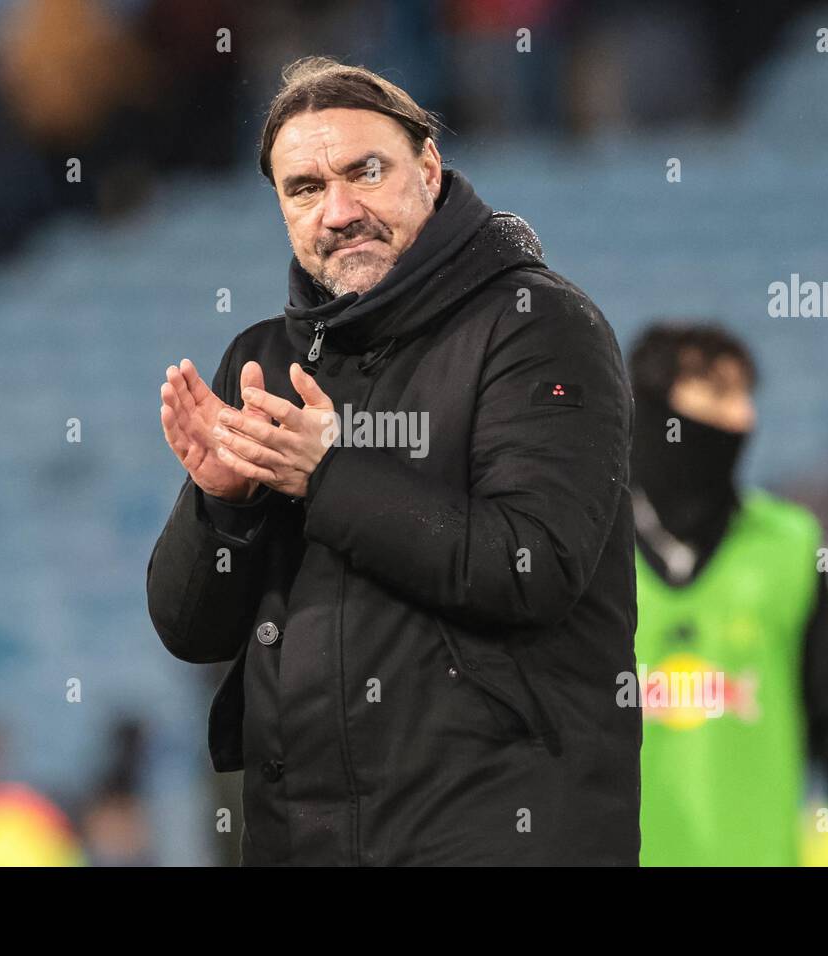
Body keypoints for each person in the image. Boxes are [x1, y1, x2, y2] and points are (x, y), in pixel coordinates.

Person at [146, 56, 638, 865]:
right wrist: (222, 507)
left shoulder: (539, 325)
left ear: (429, 169)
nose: (338, 211)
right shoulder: (261, 357)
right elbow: (190, 632)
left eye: (364, 172)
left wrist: (330, 476)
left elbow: (533, 564)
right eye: (304, 189)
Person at [627, 321, 828, 866]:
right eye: (719, 394)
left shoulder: (795, 547)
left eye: (746, 396)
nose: (742, 417)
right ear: (657, 409)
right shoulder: (583, 548)